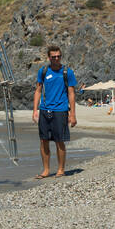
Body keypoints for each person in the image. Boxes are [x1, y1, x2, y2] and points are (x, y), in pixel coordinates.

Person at [32, 44, 78, 179]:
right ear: (49, 57)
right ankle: (46, 170)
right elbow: (38, 90)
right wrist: (35, 110)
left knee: (59, 141)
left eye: (58, 56)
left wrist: (73, 114)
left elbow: (71, 94)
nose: (56, 59)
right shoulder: (43, 71)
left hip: (61, 110)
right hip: (45, 110)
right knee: (43, 141)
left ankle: (61, 169)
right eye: (53, 57)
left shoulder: (67, 72)